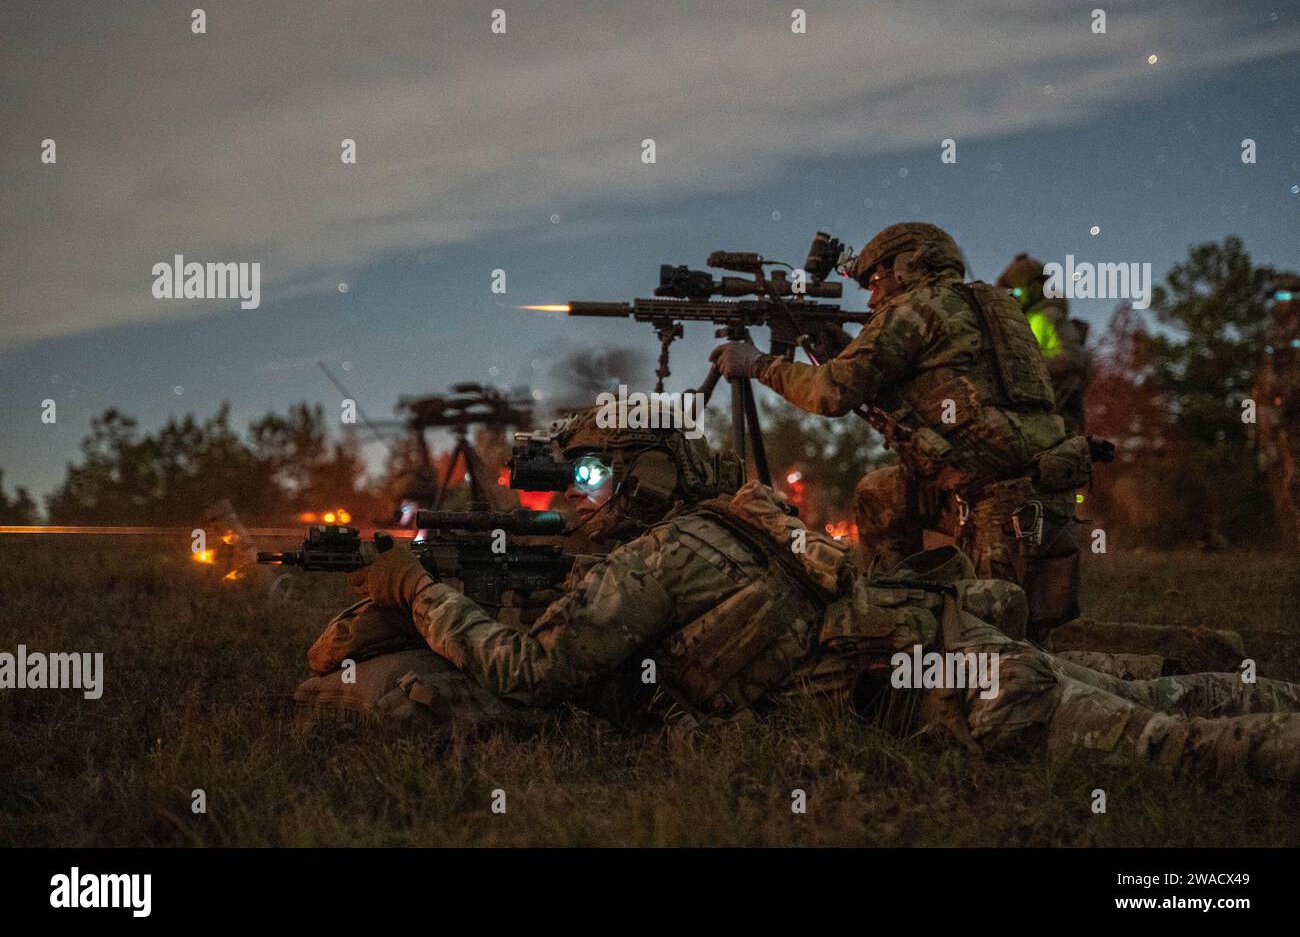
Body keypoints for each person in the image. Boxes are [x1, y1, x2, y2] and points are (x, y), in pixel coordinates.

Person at [307, 411, 1300, 787]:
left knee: (1187, 750)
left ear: (645, 478)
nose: (576, 504)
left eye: (592, 483)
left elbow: (533, 668)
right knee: (1187, 700)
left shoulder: (662, 556)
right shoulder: (739, 511)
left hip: (952, 690)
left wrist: (420, 594)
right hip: (955, 649)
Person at [709, 222, 1089, 641]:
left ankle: (1147, 685)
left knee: (1002, 652)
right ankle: (901, 620)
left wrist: (756, 364)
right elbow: (927, 377)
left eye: (875, 279)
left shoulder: (916, 308)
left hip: (1001, 500)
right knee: (880, 495)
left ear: (907, 266)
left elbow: (830, 394)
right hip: (1020, 482)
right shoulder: (993, 306)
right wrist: (841, 351)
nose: (872, 295)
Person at [996, 253, 1091, 435]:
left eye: (1016, 292)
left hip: (1057, 420)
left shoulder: (1048, 316)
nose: (1013, 298)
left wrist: (1024, 366)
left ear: (1035, 287)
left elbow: (1073, 359)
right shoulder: (1032, 318)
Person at [1253, 273, 1300, 550]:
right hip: (1275, 420)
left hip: (1294, 418)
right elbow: (1263, 380)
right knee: (1280, 483)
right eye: (1279, 296)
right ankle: (1292, 544)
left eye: (1290, 295)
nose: (1284, 302)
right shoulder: (1272, 335)